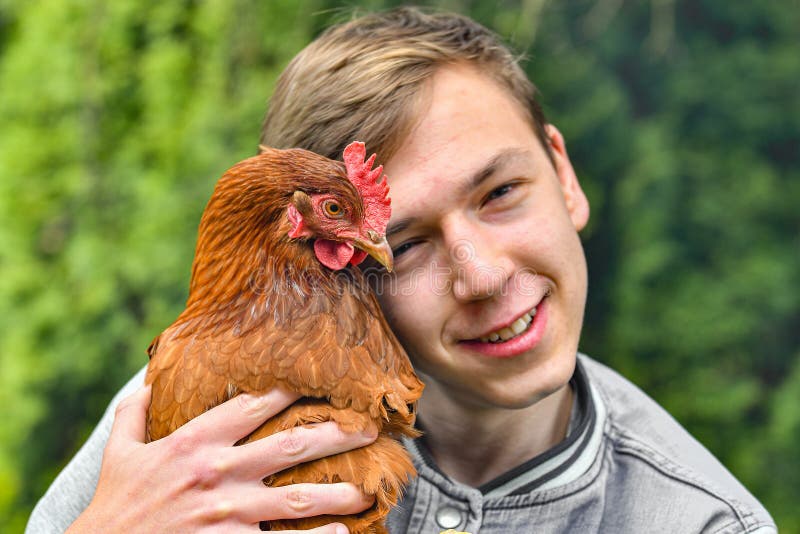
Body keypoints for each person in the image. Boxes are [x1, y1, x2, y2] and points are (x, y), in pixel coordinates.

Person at [27, 7, 776, 533]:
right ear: (339, 267)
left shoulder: (702, 521)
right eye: (409, 244)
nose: (481, 276)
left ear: (565, 175)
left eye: (501, 193)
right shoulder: (206, 423)